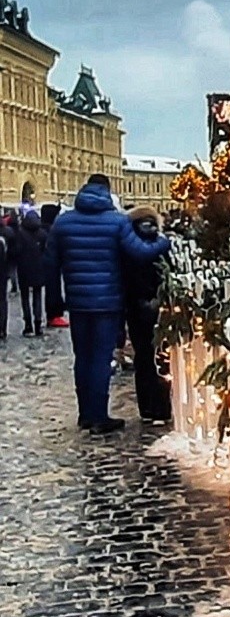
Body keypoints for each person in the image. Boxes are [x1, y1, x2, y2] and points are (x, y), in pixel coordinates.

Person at [44, 175, 170, 433]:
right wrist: (162, 241)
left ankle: (86, 414)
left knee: (83, 358)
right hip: (108, 302)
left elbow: (50, 264)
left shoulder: (63, 223)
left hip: (78, 303)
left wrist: (54, 303)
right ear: (107, 192)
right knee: (101, 359)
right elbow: (140, 251)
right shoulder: (117, 221)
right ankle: (100, 417)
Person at [122, 206, 171, 422]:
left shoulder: (126, 244)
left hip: (135, 305)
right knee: (162, 355)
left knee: (143, 357)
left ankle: (147, 409)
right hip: (160, 305)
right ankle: (162, 407)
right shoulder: (160, 243)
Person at [12, 211, 48, 337]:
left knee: (25, 298)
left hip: (24, 270)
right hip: (39, 269)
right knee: (38, 297)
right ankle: (38, 324)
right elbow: (46, 252)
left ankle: (28, 326)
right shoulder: (43, 233)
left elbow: (16, 251)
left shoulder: (20, 234)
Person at [40, 204, 67, 328]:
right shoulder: (49, 231)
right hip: (50, 266)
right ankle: (53, 315)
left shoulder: (47, 229)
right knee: (53, 290)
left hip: (50, 265)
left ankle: (55, 313)